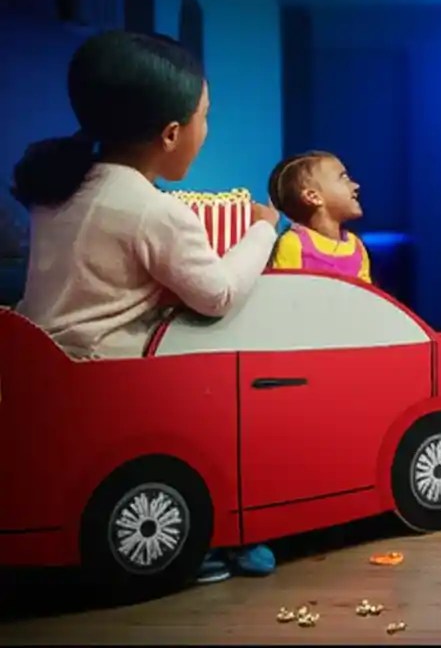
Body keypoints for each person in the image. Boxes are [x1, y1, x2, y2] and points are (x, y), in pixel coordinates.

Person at [10, 30, 280, 585]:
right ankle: (219, 534)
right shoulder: (154, 211)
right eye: (205, 116)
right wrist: (260, 232)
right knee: (243, 396)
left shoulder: (60, 187)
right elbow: (218, 293)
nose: (207, 131)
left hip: (39, 366)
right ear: (172, 133)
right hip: (110, 379)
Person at [265, 150, 370, 283]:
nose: (356, 186)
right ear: (313, 197)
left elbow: (366, 297)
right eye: (343, 178)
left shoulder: (357, 247)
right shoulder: (294, 244)